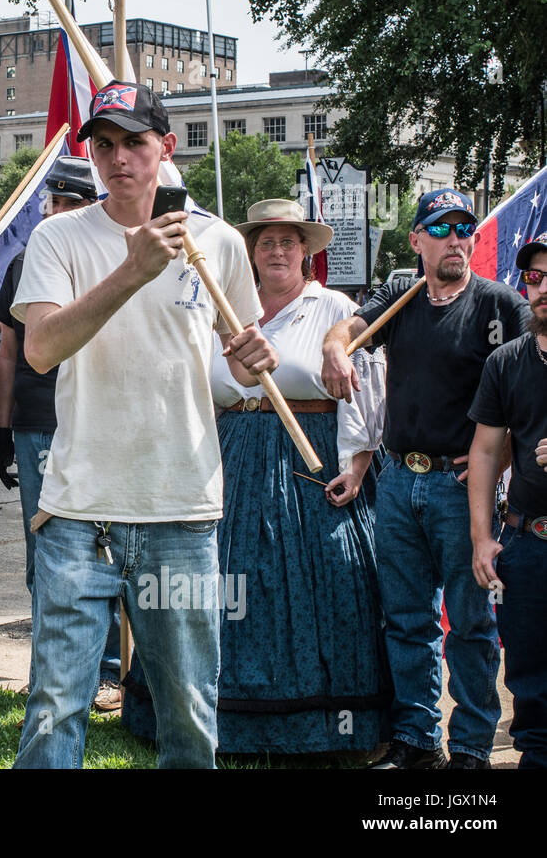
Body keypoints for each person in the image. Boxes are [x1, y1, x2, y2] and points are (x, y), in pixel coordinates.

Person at [10, 82, 276, 769]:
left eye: (134, 142)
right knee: (55, 703)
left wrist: (254, 360)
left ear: (167, 146)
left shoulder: (216, 241)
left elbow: (240, 360)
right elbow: (40, 348)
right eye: (104, 144)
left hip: (182, 506)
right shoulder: (58, 236)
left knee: (188, 704)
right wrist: (132, 269)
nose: (118, 157)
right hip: (78, 509)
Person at [121, 199, 389, 754]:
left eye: (288, 241)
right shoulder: (225, 307)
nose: (276, 251)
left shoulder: (331, 308)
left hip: (308, 456)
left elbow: (367, 388)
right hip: (227, 455)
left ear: (306, 251)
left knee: (329, 577)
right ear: (251, 251)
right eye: (265, 242)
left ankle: (325, 723)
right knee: (220, 579)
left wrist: (357, 464)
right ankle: (203, 717)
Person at [322, 187, 530, 769]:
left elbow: (530, 387)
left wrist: (505, 455)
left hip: (463, 488)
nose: (456, 239)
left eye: (464, 229)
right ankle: (416, 739)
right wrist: (336, 350)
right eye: (441, 229)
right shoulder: (401, 294)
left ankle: (468, 747)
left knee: (470, 623)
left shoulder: (500, 304)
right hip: (396, 482)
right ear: (416, 240)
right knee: (408, 620)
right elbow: (346, 328)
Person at [0, 155, 125, 711]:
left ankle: (111, 670)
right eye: (56, 200)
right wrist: (1, 426)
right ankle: (50, 669)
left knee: (109, 548)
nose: (61, 210)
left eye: (74, 201)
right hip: (37, 422)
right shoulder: (27, 260)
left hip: (99, 417)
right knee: (44, 551)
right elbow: (7, 349)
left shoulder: (113, 255)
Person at [468, 232, 547, 769]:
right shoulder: (506, 362)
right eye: (535, 278)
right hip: (527, 541)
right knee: (530, 677)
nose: (542, 288)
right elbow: (485, 451)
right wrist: (482, 538)